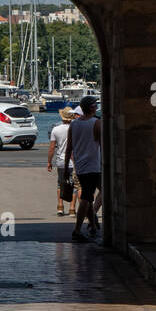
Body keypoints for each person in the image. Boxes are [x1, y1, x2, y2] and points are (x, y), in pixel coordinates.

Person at [64, 95, 101, 242]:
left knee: (88, 195)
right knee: (86, 197)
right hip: (93, 165)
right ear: (92, 107)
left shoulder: (74, 124)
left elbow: (69, 148)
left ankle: (92, 225)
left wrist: (67, 166)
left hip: (80, 165)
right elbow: (102, 144)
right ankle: (77, 230)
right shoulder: (96, 123)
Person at [47, 106, 79, 217]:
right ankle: (72, 208)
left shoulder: (56, 129)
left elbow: (52, 148)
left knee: (60, 183)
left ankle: (60, 207)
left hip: (61, 160)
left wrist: (49, 162)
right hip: (74, 161)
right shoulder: (75, 129)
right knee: (74, 184)